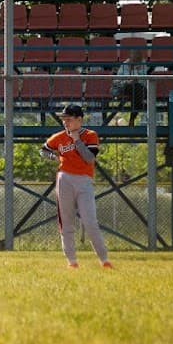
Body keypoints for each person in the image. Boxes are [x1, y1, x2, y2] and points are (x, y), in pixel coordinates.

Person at [40, 103, 112, 270]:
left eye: (69, 119)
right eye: (64, 119)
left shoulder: (90, 135)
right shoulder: (58, 137)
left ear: (79, 119)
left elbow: (89, 158)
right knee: (66, 222)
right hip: (64, 178)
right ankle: (72, 262)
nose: (66, 123)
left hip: (84, 180)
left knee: (90, 221)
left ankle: (104, 259)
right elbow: (43, 150)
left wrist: (77, 141)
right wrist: (54, 156)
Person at [111, 43, 150, 125]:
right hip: (126, 87)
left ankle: (132, 119)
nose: (134, 57)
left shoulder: (143, 64)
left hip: (140, 88)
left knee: (137, 89)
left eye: (136, 55)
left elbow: (143, 79)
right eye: (133, 54)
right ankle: (132, 118)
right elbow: (117, 80)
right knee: (135, 89)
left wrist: (135, 72)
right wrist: (127, 81)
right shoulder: (125, 64)